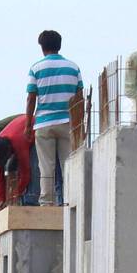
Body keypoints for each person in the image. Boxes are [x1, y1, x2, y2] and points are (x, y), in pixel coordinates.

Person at [24, 30, 84, 206]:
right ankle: (70, 201)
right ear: (60, 45)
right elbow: (79, 97)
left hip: (44, 123)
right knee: (68, 165)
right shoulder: (73, 67)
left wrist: (28, 125)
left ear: (42, 47)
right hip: (68, 122)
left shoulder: (35, 68)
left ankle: (46, 203)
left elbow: (31, 98)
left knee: (46, 167)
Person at [0, 112, 36, 208]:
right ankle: (21, 197)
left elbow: (26, 173)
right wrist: (1, 199)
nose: (2, 161)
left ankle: (32, 200)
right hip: (18, 129)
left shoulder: (19, 144)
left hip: (34, 130)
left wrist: (17, 194)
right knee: (11, 167)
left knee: (34, 165)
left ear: (9, 151)